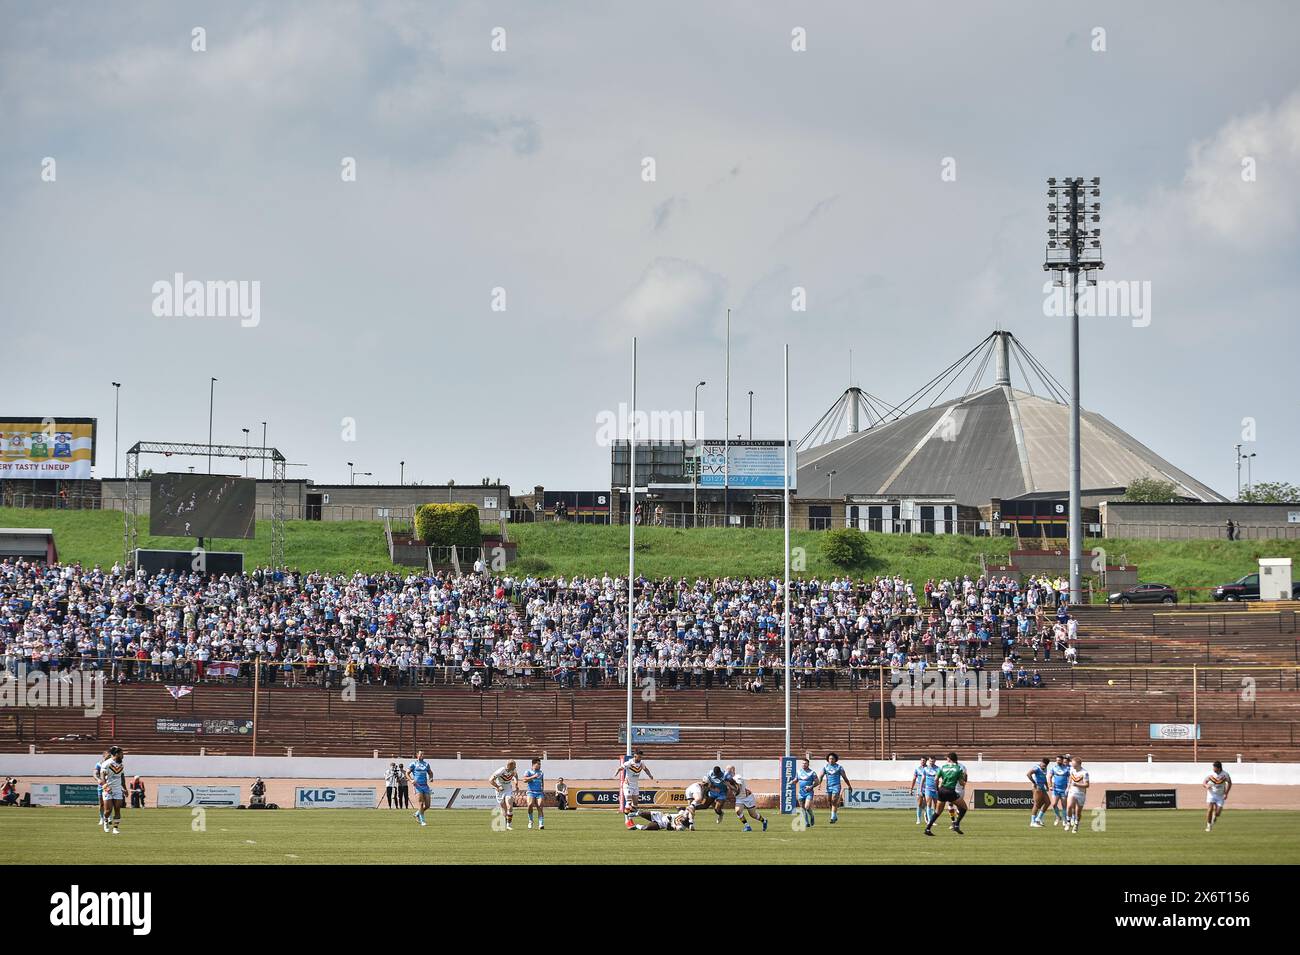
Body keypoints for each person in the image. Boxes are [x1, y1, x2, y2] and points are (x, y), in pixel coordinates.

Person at [924, 751, 967, 837]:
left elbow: (936, 779)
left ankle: (927, 829)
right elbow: (961, 782)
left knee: (937, 812)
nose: (946, 759)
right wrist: (964, 783)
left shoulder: (943, 767)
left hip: (942, 790)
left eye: (947, 758)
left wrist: (937, 789)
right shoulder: (958, 769)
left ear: (949, 759)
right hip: (950, 791)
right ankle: (956, 825)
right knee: (964, 808)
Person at [616, 751, 653, 828]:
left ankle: (630, 819)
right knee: (628, 802)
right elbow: (621, 768)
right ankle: (627, 821)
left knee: (635, 804)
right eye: (639, 757)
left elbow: (646, 769)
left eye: (641, 757)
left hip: (635, 785)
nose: (640, 758)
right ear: (635, 756)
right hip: (628, 785)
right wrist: (616, 772)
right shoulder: (629, 763)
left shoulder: (641, 763)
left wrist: (650, 775)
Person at [725, 765, 767, 832]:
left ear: (733, 770)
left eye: (729, 770)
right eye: (727, 770)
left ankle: (764, 820)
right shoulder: (728, 778)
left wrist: (728, 784)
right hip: (739, 798)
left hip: (747, 797)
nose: (727, 772)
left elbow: (737, 789)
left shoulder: (738, 777)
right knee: (738, 811)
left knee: (753, 815)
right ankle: (747, 826)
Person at [820, 752, 852, 824]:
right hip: (828, 786)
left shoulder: (839, 767)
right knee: (829, 801)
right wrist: (819, 784)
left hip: (836, 786)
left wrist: (849, 785)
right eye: (830, 759)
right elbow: (821, 776)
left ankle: (832, 817)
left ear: (835, 759)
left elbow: (844, 777)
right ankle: (834, 815)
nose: (831, 760)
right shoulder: (825, 767)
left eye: (832, 759)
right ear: (828, 759)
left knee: (834, 800)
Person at [101, 746, 125, 834]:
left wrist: (124, 788)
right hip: (108, 789)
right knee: (108, 811)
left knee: (117, 809)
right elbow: (102, 776)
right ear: (116, 754)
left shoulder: (121, 764)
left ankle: (115, 828)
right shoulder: (106, 764)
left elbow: (122, 776)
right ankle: (105, 821)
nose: (123, 756)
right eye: (121, 754)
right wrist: (105, 786)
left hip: (118, 789)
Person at [490, 760, 520, 830]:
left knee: (509, 806)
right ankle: (505, 823)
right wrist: (498, 787)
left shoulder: (513, 770)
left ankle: (509, 825)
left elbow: (516, 776)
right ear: (510, 765)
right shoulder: (501, 771)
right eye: (514, 765)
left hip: (508, 789)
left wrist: (516, 784)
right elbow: (490, 780)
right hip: (500, 791)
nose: (515, 767)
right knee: (504, 809)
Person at [1204, 761, 1232, 832]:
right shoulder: (1210, 774)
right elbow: (1204, 782)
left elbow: (1229, 783)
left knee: (1218, 813)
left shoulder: (1225, 774)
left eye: (1214, 767)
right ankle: (1208, 826)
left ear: (1218, 768)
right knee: (1210, 809)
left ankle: (1215, 816)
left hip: (1220, 795)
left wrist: (1226, 793)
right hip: (1211, 794)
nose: (1213, 769)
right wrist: (1206, 785)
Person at [408, 750, 433, 827]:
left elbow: (430, 772)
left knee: (428, 805)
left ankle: (417, 814)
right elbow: (407, 773)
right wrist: (411, 780)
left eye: (423, 754)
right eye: (421, 754)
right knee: (421, 803)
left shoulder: (426, 764)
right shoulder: (413, 764)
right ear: (417, 755)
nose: (422, 755)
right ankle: (422, 821)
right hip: (417, 786)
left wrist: (431, 778)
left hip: (425, 786)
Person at [1065, 756, 1089, 834]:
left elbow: (1087, 785)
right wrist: (1068, 787)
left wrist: (1077, 784)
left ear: (1078, 764)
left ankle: (1076, 825)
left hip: (1081, 793)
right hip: (1072, 791)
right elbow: (1070, 779)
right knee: (1069, 806)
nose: (1071, 764)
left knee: (1078, 811)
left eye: (1073, 763)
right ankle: (1068, 822)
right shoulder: (1072, 770)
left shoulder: (1084, 773)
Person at [522, 757, 546, 830]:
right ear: (533, 764)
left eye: (540, 764)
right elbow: (524, 780)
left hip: (539, 792)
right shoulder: (528, 771)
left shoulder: (541, 772)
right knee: (530, 805)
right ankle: (530, 821)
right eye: (538, 764)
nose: (540, 765)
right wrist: (533, 777)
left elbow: (542, 781)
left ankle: (541, 823)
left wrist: (542, 790)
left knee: (540, 806)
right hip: (531, 791)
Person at [795, 757, 819, 828]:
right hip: (801, 792)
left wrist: (811, 787)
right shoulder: (798, 772)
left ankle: (812, 816)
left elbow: (817, 782)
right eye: (803, 763)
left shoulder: (812, 773)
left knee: (807, 807)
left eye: (805, 763)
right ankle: (806, 822)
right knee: (802, 808)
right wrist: (792, 782)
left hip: (809, 792)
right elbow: (796, 780)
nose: (804, 764)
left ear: (808, 764)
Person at [1048, 755, 1071, 826]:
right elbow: (1049, 777)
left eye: (1059, 760)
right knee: (1054, 804)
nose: (1058, 761)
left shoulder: (1067, 768)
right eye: (1057, 760)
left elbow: (1070, 778)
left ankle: (1064, 819)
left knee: (1064, 806)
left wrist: (1068, 787)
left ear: (1062, 760)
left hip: (1064, 789)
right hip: (1056, 789)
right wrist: (1050, 786)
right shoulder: (1054, 768)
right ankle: (1058, 817)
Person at [1027, 758, 1050, 828]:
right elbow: (1028, 774)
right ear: (1041, 762)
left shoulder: (1045, 768)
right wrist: (1034, 782)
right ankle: (1032, 822)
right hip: (1037, 788)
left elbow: (1044, 777)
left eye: (1045, 766)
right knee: (1036, 804)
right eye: (1043, 765)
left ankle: (1038, 818)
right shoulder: (1036, 768)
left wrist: (1047, 786)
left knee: (1048, 802)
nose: (1044, 766)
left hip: (1042, 787)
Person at [909, 756, 928, 825]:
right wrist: (911, 789)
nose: (922, 761)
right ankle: (918, 819)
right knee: (919, 803)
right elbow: (914, 779)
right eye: (921, 760)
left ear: (926, 761)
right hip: (920, 788)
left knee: (927, 804)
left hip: (927, 788)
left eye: (924, 760)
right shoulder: (917, 769)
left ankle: (926, 816)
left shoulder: (928, 769)